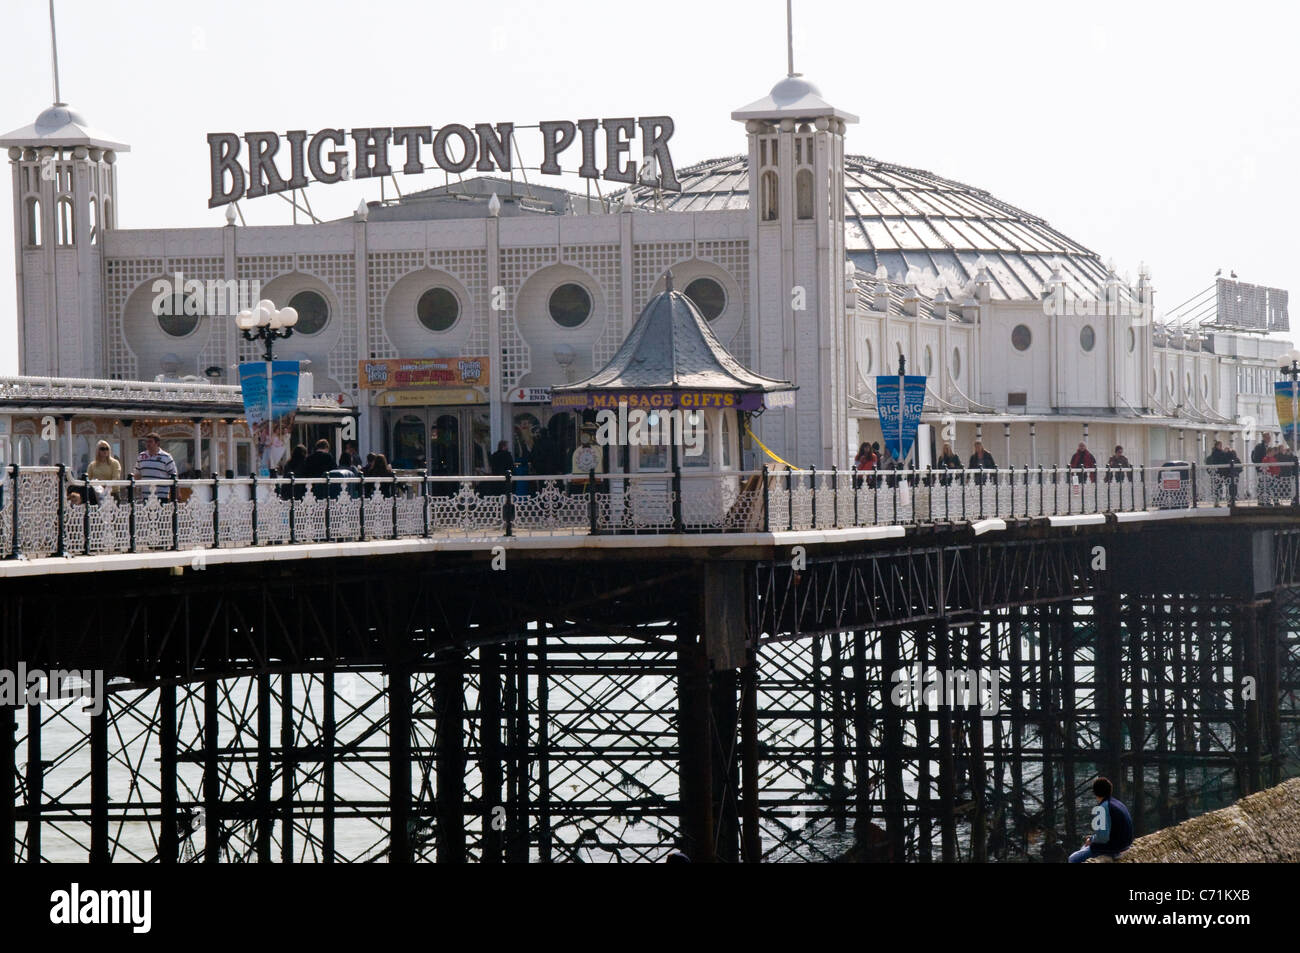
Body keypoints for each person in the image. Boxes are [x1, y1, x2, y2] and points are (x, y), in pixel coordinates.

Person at [1069, 777, 1133, 863]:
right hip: (1125, 846)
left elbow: (1103, 837)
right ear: (1110, 790)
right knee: (1085, 848)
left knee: (1073, 858)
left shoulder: (1102, 808)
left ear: (1095, 792)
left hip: (1113, 850)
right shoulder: (1118, 803)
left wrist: (1091, 840)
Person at [133, 432, 178, 500]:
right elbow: (137, 474)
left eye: (150, 442)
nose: (148, 444)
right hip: (146, 495)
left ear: (157, 443)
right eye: (147, 442)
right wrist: (135, 490)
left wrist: (177, 493)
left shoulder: (166, 457)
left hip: (161, 494)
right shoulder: (141, 456)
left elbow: (174, 475)